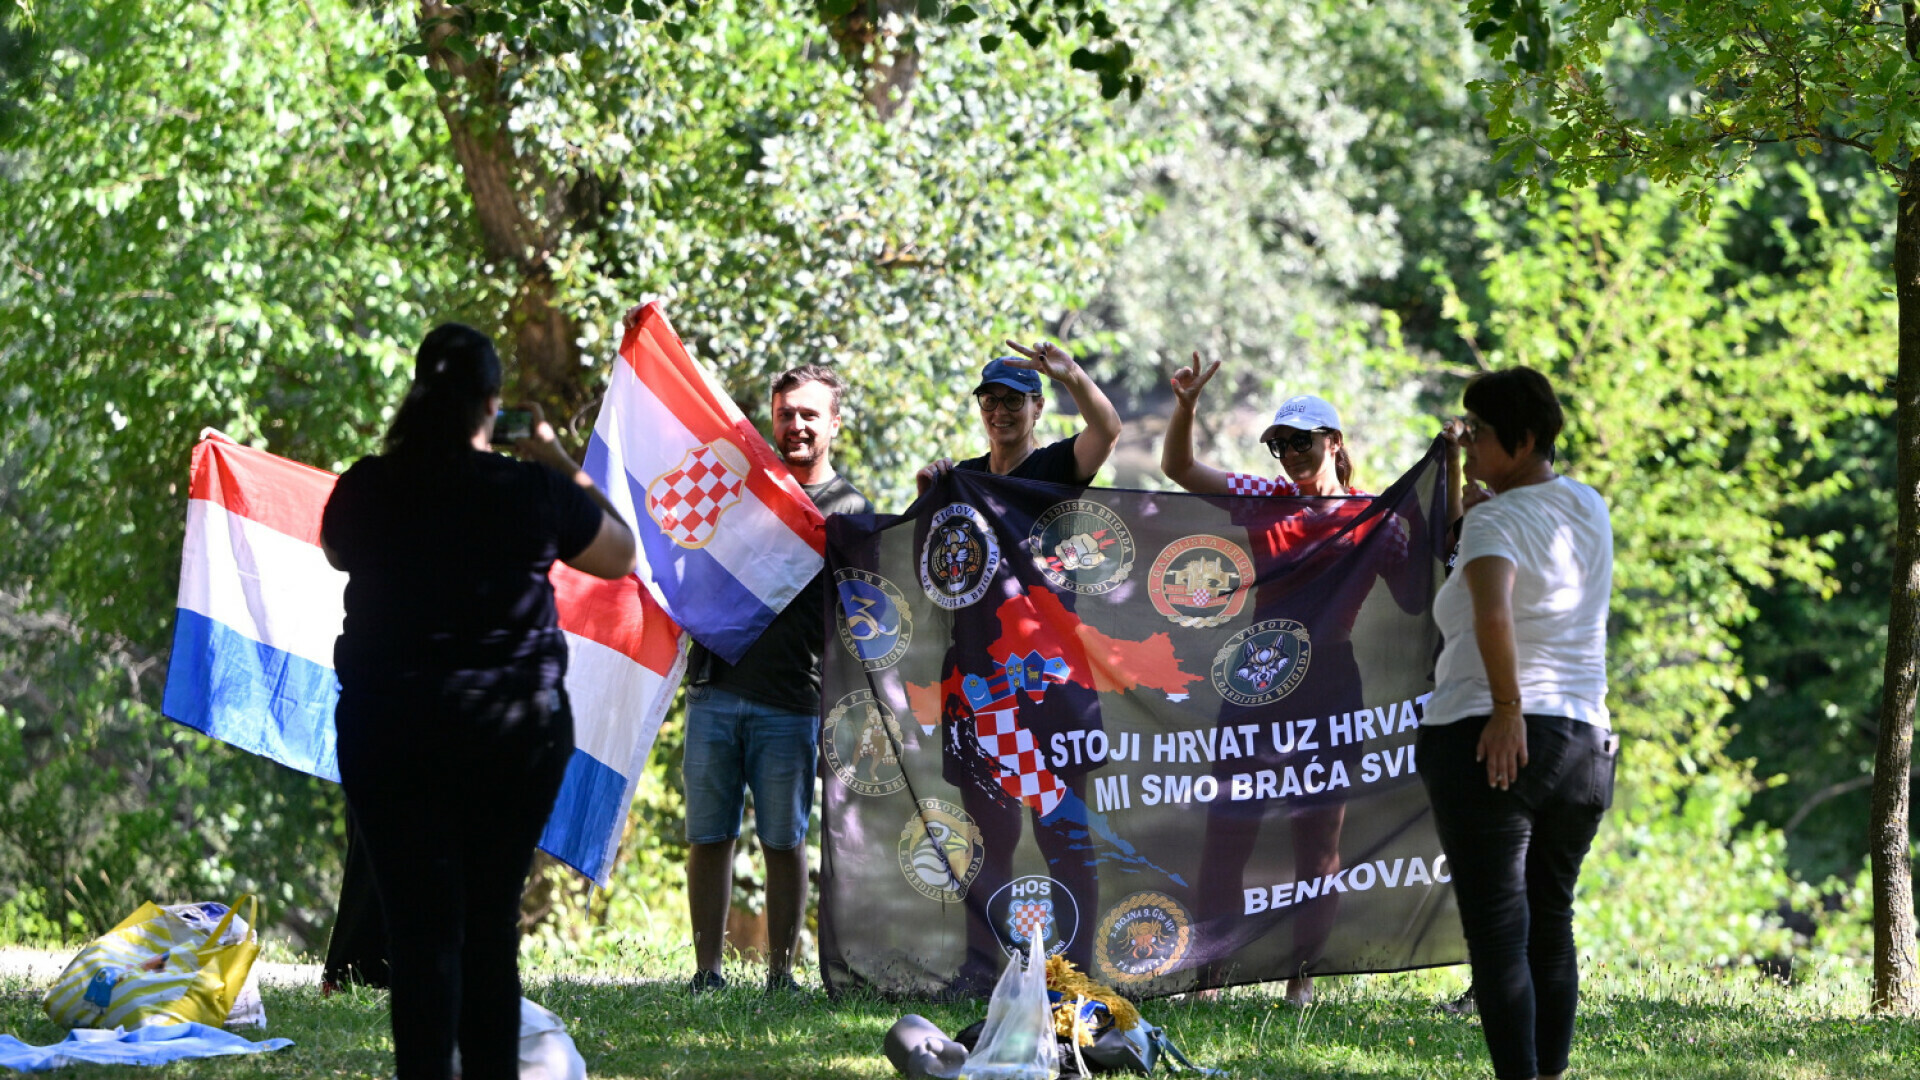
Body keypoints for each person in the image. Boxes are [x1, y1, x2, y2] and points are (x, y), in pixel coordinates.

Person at [320, 323, 637, 1080]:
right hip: (512, 740)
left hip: (389, 733)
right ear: (492, 406)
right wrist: (558, 459)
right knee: (488, 932)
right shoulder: (531, 491)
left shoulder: (369, 484)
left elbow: (335, 549)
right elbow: (620, 552)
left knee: (419, 933)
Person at [1160, 355, 1415, 1005]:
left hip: (1330, 685)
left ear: (1333, 443)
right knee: (1228, 832)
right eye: (1278, 445)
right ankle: (1208, 978)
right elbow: (1179, 471)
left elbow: (1416, 599)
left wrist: (1438, 509)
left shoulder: (1374, 519)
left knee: (1317, 840)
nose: (1289, 455)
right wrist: (1187, 406)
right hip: (1256, 680)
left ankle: (1301, 980)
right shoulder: (1262, 499)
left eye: (1301, 442)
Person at [1418, 367, 1615, 1080]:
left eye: (1480, 434)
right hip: (1586, 745)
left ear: (1523, 439)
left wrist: (1505, 711)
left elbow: (1494, 611)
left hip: (1492, 737)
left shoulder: (1494, 522)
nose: (1467, 445)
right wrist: (1479, 507)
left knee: (1500, 935)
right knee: (1549, 922)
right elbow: (1529, 558)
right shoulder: (1588, 506)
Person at [916, 339, 1122, 986]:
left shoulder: (1058, 468)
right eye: (990, 400)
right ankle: (983, 967)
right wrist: (925, 496)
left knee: (1065, 834)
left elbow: (1108, 429)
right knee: (989, 838)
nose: (1000, 412)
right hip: (980, 687)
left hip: (1054, 686)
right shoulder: (959, 479)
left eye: (1013, 401)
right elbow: (933, 577)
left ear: (1036, 408)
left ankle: (1078, 971)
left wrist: (1070, 374)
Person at [678, 361, 872, 994]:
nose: (796, 425)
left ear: (835, 423)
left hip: (793, 700)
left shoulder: (848, 509)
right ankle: (707, 973)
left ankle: (782, 975)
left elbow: (871, 609)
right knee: (708, 836)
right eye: (785, 413)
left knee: (784, 841)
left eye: (809, 414)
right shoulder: (740, 487)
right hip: (714, 688)